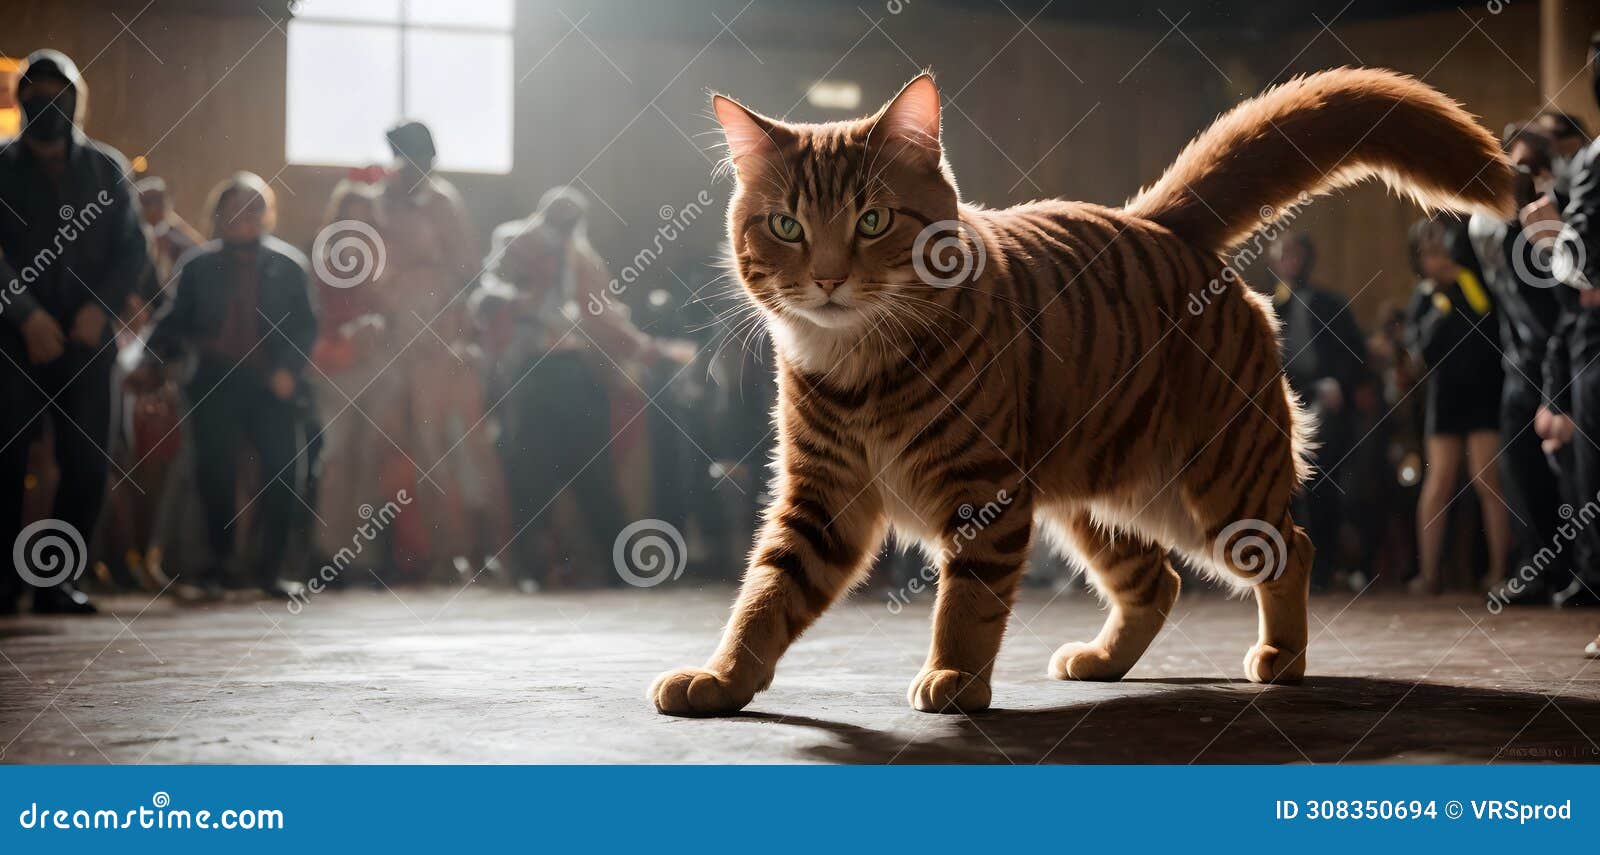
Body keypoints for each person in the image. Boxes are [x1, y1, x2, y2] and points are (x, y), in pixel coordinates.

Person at [0, 50, 147, 614]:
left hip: (87, 340)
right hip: (14, 340)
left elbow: (132, 247)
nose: (47, 102)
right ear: (21, 99)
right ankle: (3, 583)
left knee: (88, 462)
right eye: (34, 91)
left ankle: (54, 583)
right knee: (8, 460)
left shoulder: (107, 169)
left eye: (59, 93)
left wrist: (101, 308)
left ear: (76, 101)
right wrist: (26, 315)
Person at [131, 172, 316, 600]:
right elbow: (172, 322)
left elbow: (306, 326)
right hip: (214, 379)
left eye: (255, 206)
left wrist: (289, 369)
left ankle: (270, 571)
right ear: (220, 213)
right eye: (236, 206)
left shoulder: (287, 265)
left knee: (284, 469)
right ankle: (216, 566)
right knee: (213, 472)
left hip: (272, 382)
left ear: (267, 213)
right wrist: (146, 360)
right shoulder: (198, 265)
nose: (245, 215)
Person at [372, 120, 508, 582]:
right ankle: (430, 554)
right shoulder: (383, 204)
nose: (416, 169)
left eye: (422, 161)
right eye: (408, 160)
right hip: (400, 341)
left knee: (464, 445)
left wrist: (452, 331)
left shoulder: (444, 203)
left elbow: (468, 271)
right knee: (418, 448)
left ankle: (483, 550)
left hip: (444, 337)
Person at [1471, 125, 1569, 604]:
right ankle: (1536, 565)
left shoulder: (1545, 231)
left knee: (1562, 473)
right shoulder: (1496, 231)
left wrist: (1556, 385)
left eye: (1523, 166)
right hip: (1517, 365)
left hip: (1555, 365)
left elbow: (1556, 310)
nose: (1512, 172)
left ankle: (1569, 571)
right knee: (1518, 472)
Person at [1530, 32, 1600, 610]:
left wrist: (1551, 236)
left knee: (1589, 470)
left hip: (1588, 340)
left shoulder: (1594, 163)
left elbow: (1580, 267)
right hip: (1571, 341)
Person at [1405, 215, 1510, 594]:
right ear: (1419, 260)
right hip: (1444, 396)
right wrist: (1440, 303)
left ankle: (1499, 572)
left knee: (1488, 480)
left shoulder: (1475, 283)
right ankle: (1428, 574)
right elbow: (1420, 352)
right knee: (1439, 481)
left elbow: (1492, 324)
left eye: (1443, 250)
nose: (1439, 259)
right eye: (1430, 254)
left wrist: (1460, 285)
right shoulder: (1424, 298)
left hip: (1484, 391)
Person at [1267, 233, 1367, 591]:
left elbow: (1355, 353)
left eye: (1296, 254)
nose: (1290, 261)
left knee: (1324, 483)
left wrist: (1336, 383)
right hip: (1282, 405)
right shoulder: (1267, 306)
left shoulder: (1330, 303)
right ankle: (1286, 569)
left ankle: (1324, 569)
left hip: (1326, 403)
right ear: (1274, 261)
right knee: (1284, 490)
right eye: (1283, 255)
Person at [135, 176, 203, 287]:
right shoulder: (138, 233)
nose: (153, 208)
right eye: (145, 203)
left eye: (159, 201)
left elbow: (200, 253)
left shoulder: (174, 230)